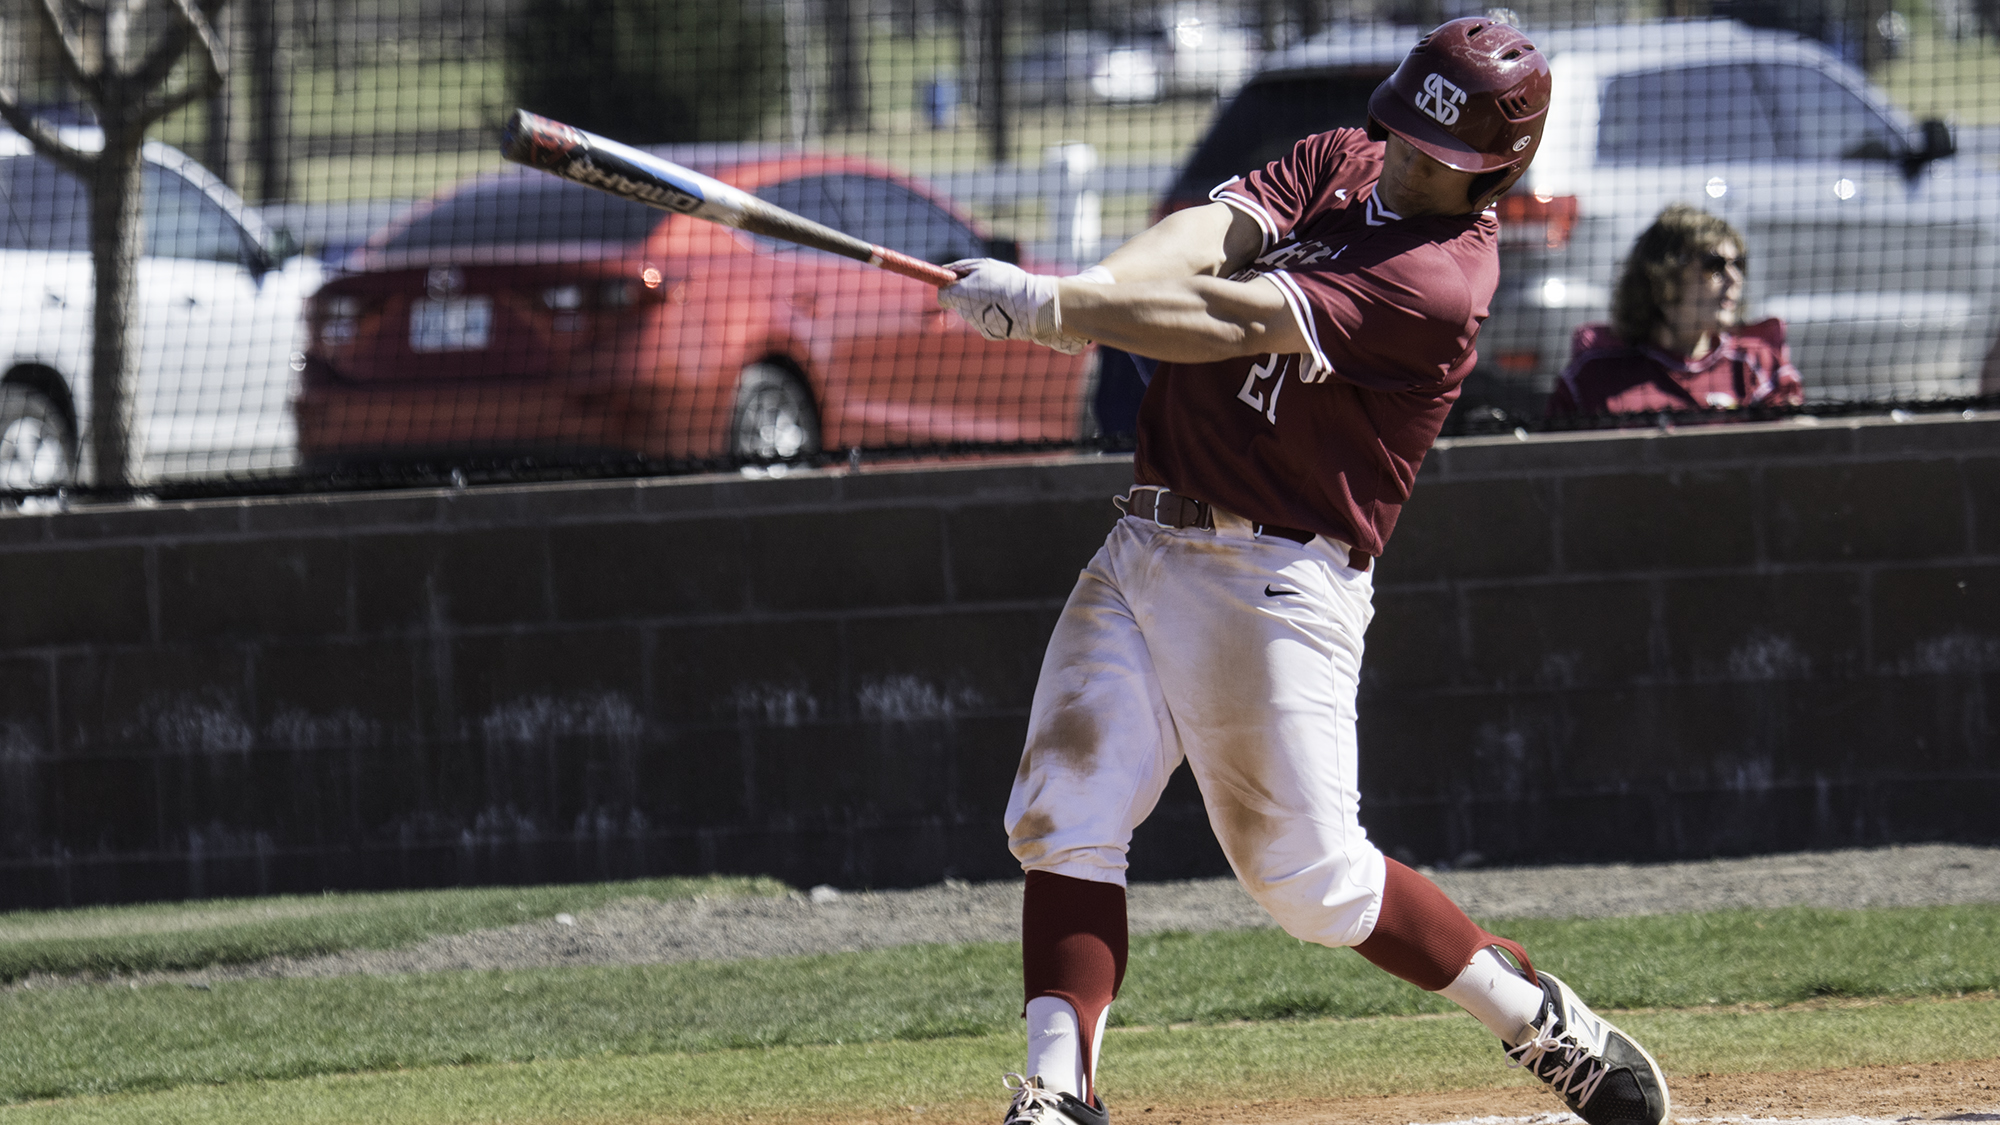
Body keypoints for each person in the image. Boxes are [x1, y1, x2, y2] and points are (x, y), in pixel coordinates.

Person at [935, 16, 1671, 1125]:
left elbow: (1226, 319)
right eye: (1409, 138)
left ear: (1498, 172)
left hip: (1274, 580)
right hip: (1144, 542)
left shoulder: (1437, 283)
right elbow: (1196, 244)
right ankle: (1056, 1092)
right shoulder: (1341, 160)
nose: (1411, 163)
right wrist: (1075, 297)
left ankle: (1520, 1008)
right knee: (1061, 809)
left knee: (1312, 887)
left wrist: (1064, 312)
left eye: (1444, 159)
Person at [1547, 203, 1803, 416]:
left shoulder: (1758, 365)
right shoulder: (1595, 376)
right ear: (1664, 278)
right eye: (1714, 265)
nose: (1734, 278)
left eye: (1739, 264)